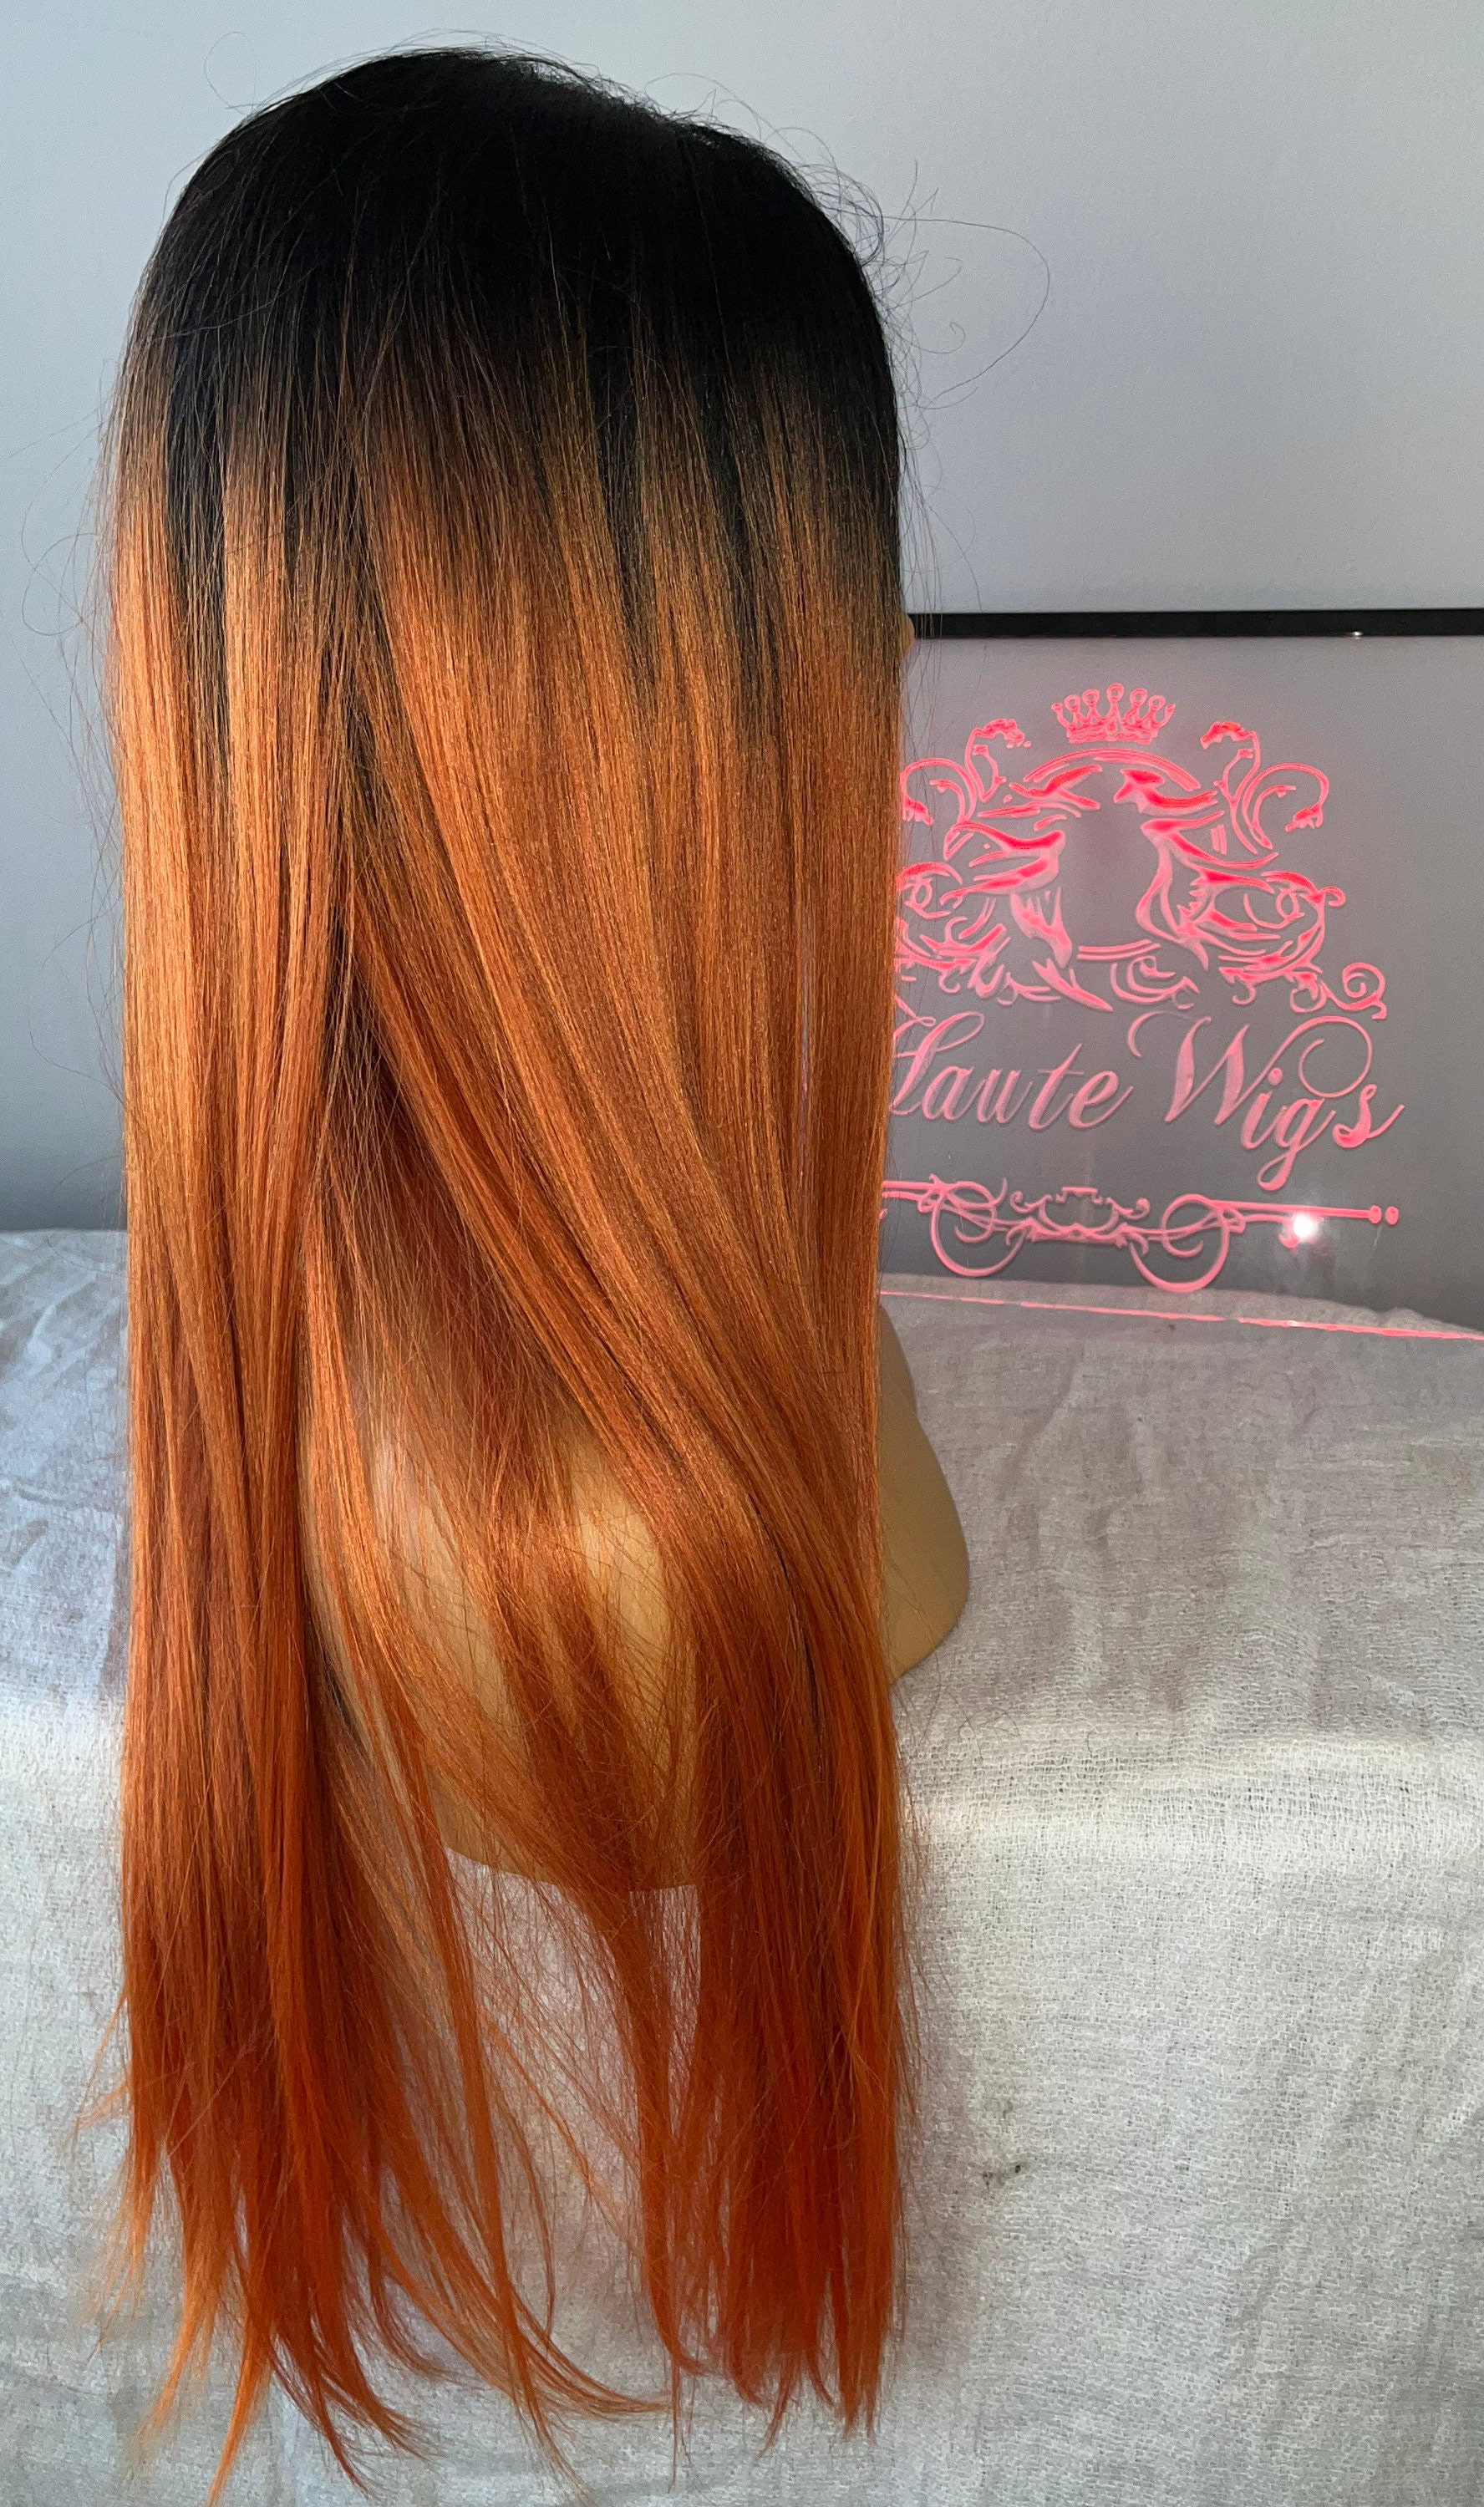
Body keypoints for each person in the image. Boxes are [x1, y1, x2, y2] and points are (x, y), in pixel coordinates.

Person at [94, 45, 967, 2502]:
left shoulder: (324, 1418)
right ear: (722, 698)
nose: (905, 653)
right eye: (848, 595)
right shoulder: (629, 1571)